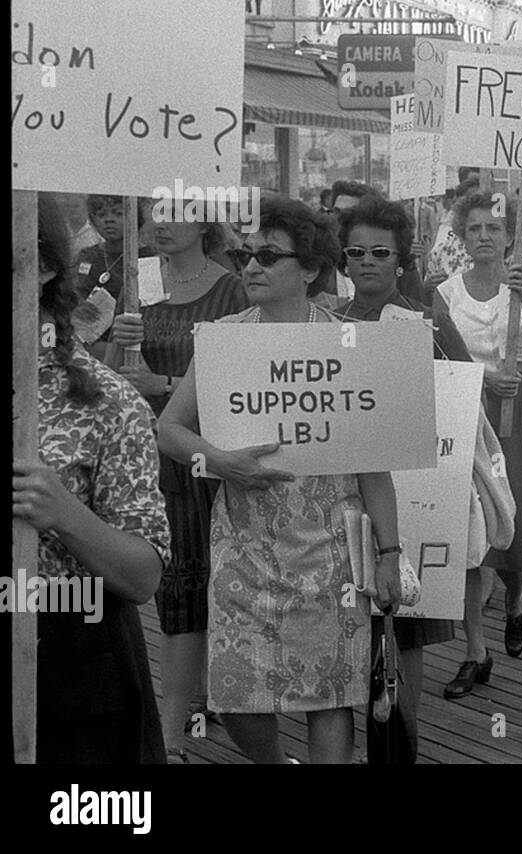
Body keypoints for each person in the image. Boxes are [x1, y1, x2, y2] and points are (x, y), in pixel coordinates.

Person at [157, 197, 402, 764]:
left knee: (331, 695)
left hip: (331, 549)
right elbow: (169, 429)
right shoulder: (223, 338)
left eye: (268, 256)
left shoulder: (346, 342)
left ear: (311, 269)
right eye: (246, 254)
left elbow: (374, 465)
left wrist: (390, 553)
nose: (251, 267)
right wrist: (219, 460)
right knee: (238, 697)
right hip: (244, 544)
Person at [14, 196, 171, 763]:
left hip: (74, 662)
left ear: (45, 269)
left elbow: (143, 575)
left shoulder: (106, 401)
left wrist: (63, 513)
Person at [331, 194, 472, 761]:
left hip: (412, 505)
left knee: (400, 652)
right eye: (356, 251)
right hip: (339, 510)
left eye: (380, 252)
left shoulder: (428, 324)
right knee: (343, 654)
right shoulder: (322, 326)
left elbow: (462, 404)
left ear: (401, 259)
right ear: (343, 259)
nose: (367, 262)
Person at [106, 214, 247, 764]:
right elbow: (105, 376)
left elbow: (243, 381)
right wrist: (118, 349)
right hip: (150, 457)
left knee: (222, 584)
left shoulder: (233, 289)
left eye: (175, 213)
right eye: (154, 214)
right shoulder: (138, 281)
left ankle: (212, 698)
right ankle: (168, 736)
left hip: (214, 457)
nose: (160, 225)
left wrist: (163, 385)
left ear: (205, 220)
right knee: (180, 592)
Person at [436, 191, 522, 692]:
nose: (484, 237)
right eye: (475, 228)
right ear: (461, 237)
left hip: (516, 413)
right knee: (470, 531)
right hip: (466, 411)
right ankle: (475, 650)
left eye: (494, 229)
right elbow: (439, 357)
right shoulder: (444, 293)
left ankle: (517, 595)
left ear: (509, 237)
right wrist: (481, 380)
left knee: (517, 527)